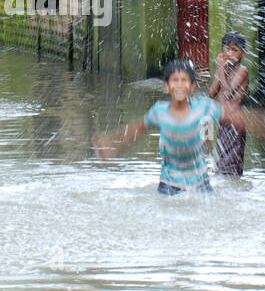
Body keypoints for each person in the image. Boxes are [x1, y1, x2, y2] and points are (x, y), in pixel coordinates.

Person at [94, 59, 222, 195]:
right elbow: (136, 129)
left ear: (193, 86)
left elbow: (232, 119)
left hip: (200, 183)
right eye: (175, 80)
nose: (179, 85)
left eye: (184, 80)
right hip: (169, 184)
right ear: (166, 86)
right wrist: (113, 145)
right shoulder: (160, 111)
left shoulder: (203, 108)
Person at [210, 32, 250, 176]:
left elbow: (228, 93)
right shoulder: (223, 69)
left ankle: (235, 194)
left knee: (231, 167)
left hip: (235, 125)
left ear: (243, 53)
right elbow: (211, 93)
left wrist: (221, 70)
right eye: (227, 49)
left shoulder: (242, 71)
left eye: (235, 50)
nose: (230, 53)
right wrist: (219, 70)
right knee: (220, 165)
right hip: (224, 124)